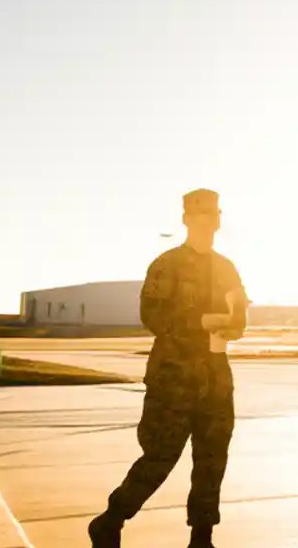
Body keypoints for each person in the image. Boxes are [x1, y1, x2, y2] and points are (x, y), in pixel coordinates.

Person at [89, 188, 249, 548]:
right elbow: (153, 316)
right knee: (160, 456)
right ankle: (111, 520)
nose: (211, 220)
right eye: (202, 214)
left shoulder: (227, 268)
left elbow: (240, 315)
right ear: (187, 219)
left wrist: (234, 324)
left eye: (215, 213)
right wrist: (201, 321)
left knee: (212, 459)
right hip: (173, 378)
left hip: (216, 378)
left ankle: (202, 537)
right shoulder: (167, 264)